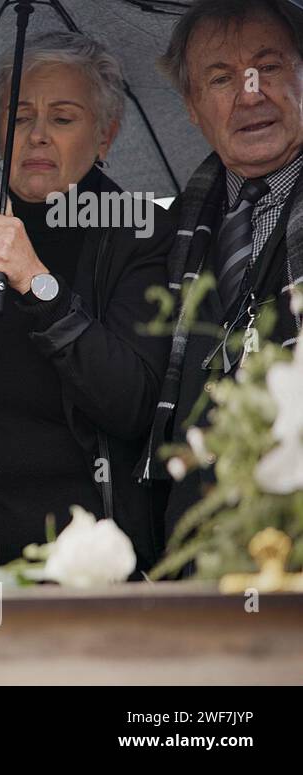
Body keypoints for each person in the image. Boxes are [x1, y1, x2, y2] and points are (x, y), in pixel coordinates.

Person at [0, 32, 175, 570]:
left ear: (106, 135)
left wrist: (38, 282)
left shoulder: (141, 230)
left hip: (106, 559)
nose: (37, 135)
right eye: (19, 117)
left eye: (63, 118)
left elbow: (132, 401)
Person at [148, 0, 303, 539]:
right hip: (193, 545)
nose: (251, 92)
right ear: (191, 106)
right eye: (221, 78)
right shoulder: (168, 237)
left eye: (271, 66)